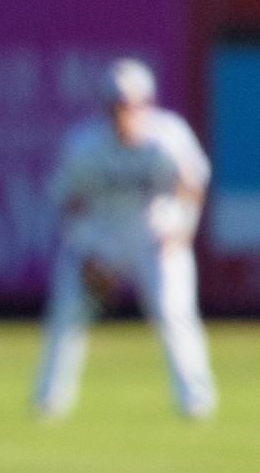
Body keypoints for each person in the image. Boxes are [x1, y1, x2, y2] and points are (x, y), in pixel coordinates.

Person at [31, 57, 216, 420]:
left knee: (174, 311)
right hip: (101, 235)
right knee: (67, 312)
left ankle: (196, 401)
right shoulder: (84, 145)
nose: (125, 114)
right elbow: (70, 201)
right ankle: (50, 400)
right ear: (106, 108)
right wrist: (87, 254)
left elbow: (193, 184)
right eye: (118, 106)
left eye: (133, 105)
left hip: (154, 233)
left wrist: (182, 227)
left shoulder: (168, 137)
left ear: (149, 104)